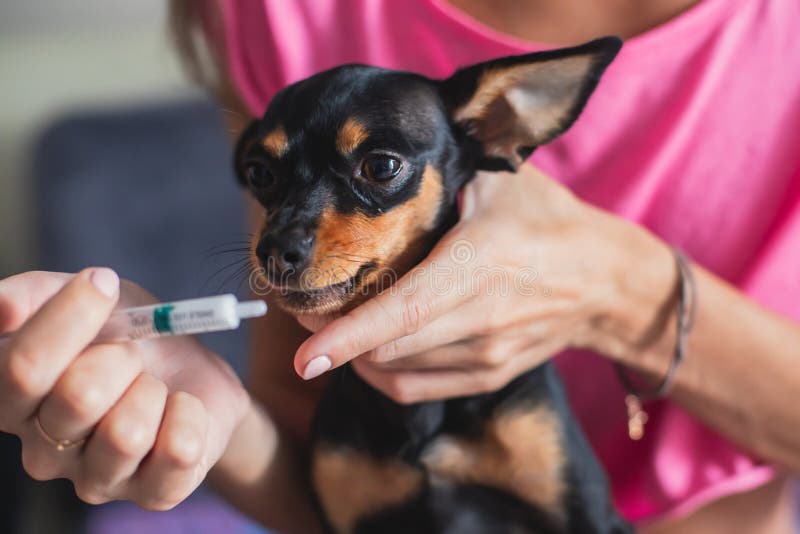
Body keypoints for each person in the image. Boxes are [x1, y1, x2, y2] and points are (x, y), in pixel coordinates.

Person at [1, 0, 798, 532]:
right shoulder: (270, 10)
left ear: (500, 126)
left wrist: (619, 292)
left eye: (378, 169)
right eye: (268, 176)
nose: (287, 236)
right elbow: (302, 450)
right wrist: (206, 416)